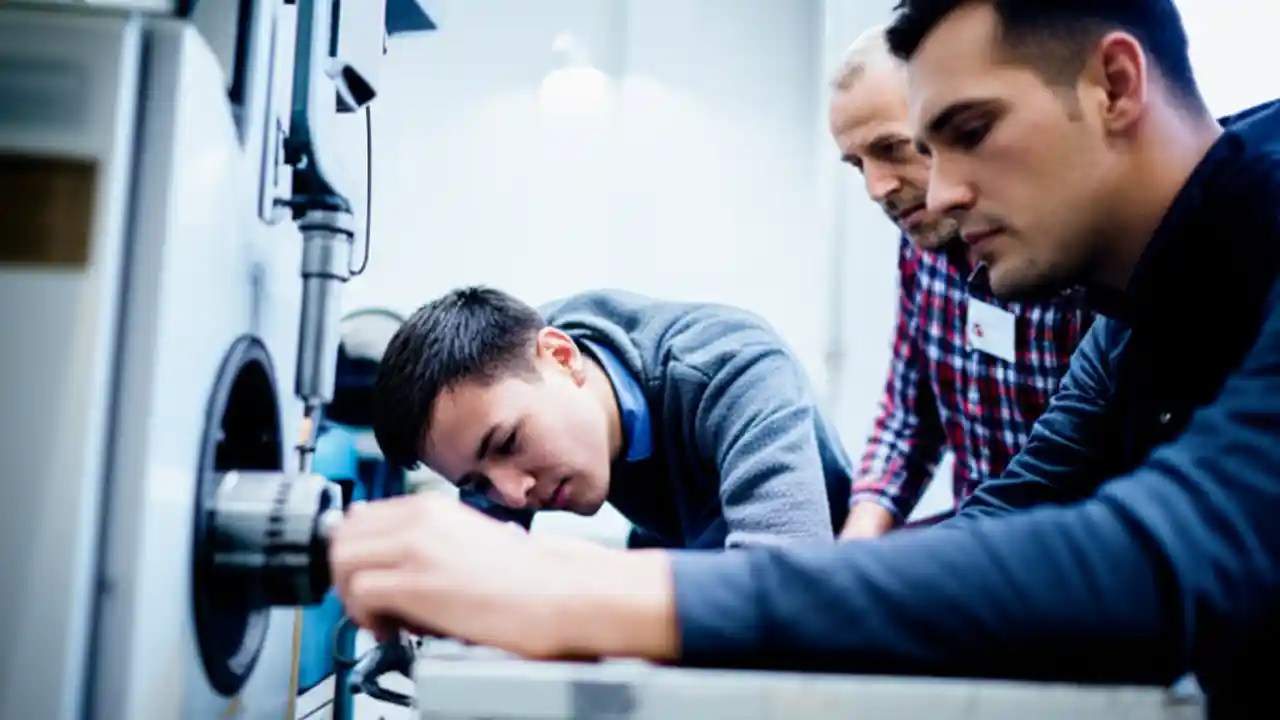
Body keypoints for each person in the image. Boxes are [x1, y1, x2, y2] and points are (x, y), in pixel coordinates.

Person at [331, 0, 1280, 709]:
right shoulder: (1123, 323)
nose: (931, 195)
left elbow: (1169, 555)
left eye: (969, 133)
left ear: (1115, 85)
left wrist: (590, 594)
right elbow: (1006, 511)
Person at [828, 25, 1093, 539]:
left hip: (1074, 556)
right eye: (857, 163)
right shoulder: (920, 245)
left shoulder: (1070, 262)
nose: (874, 187)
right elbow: (909, 418)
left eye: (893, 148)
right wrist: (853, 548)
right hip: (977, 542)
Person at [371, 286, 854, 549]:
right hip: (678, 551)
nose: (512, 495)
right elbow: (477, 572)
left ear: (562, 357)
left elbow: (787, 585)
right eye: (476, 483)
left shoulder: (732, 367)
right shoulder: (502, 400)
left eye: (508, 443)